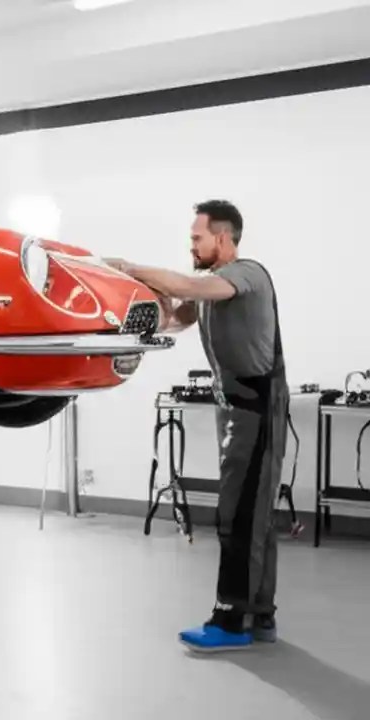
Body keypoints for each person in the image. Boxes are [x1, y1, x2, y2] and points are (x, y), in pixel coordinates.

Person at [105, 199, 287, 652]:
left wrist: (130, 267)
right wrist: (149, 310)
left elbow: (191, 286)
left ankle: (230, 621)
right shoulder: (208, 288)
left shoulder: (247, 274)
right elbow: (175, 317)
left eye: (197, 238)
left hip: (258, 409)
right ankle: (260, 617)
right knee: (254, 516)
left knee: (240, 515)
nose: (192, 244)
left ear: (222, 239)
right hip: (235, 408)